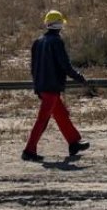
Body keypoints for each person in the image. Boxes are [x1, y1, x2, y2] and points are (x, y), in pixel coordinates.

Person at [22, 10, 90, 162]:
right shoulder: (57, 42)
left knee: (61, 115)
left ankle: (74, 142)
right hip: (52, 87)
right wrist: (79, 78)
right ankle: (29, 150)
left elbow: (33, 68)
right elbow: (65, 65)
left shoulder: (38, 42)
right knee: (42, 120)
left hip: (43, 86)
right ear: (59, 24)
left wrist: (37, 87)